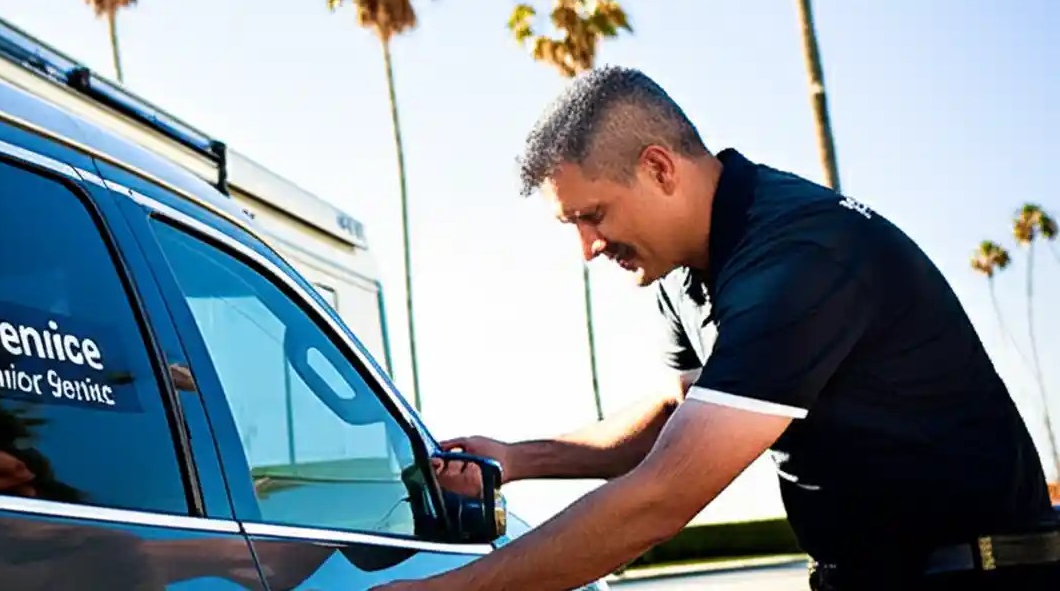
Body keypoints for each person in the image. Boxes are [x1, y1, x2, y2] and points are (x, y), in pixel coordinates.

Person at [373, 66, 1060, 591]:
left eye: (593, 215)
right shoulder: (681, 270)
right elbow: (680, 416)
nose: (587, 248)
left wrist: (443, 589)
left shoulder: (799, 257)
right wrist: (518, 458)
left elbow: (664, 496)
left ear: (659, 168)